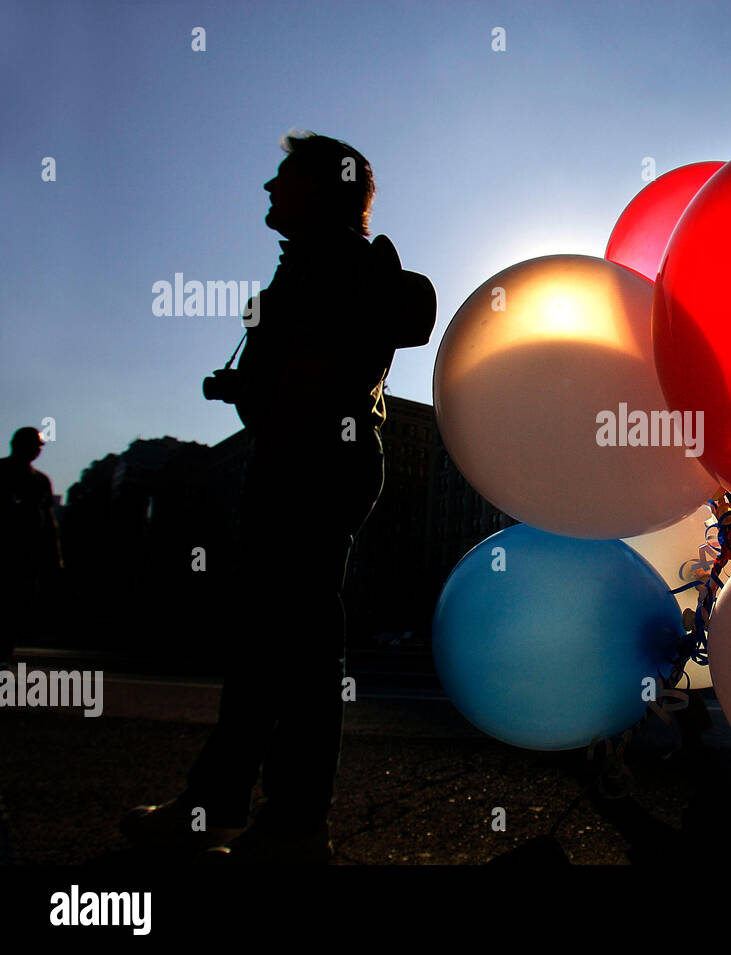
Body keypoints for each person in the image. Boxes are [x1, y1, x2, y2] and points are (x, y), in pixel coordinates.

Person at [120, 132, 436, 862]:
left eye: (283, 177)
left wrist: (266, 387)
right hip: (308, 462)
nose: (267, 187)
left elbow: (325, 372)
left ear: (321, 189)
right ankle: (232, 809)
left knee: (291, 648)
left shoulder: (337, 265)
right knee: (274, 646)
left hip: (311, 466)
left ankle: (284, 825)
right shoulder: (317, 267)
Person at [0, 427, 63, 664]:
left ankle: (3, 659)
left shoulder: (39, 481)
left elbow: (48, 522)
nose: (37, 450)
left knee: (15, 611)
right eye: (34, 445)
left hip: (26, 557)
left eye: (39, 446)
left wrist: (55, 559)